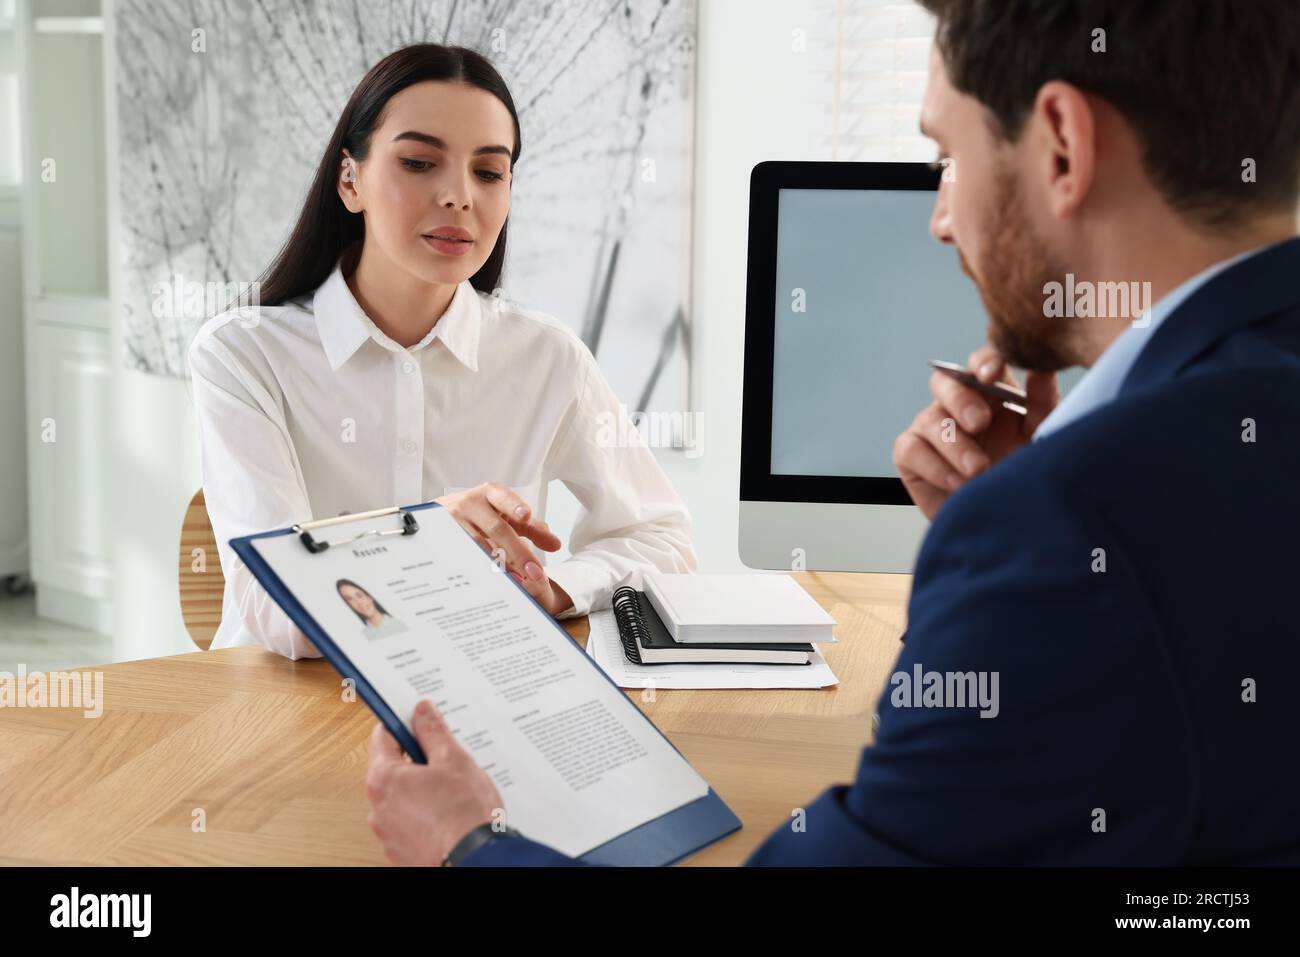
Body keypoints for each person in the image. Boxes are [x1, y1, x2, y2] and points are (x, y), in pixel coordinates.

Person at [365, 0, 1300, 866]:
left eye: (946, 156)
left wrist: (470, 844)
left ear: (1060, 144)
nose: (938, 218)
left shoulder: (1071, 526)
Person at [188, 45, 696, 661]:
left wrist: (551, 588)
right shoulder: (242, 356)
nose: (459, 196)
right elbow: (281, 614)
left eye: (488, 172)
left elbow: (659, 536)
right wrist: (422, 537)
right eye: (420, 162)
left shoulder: (547, 358)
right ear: (351, 180)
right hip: (287, 714)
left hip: (485, 696)